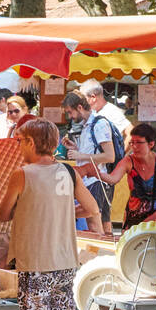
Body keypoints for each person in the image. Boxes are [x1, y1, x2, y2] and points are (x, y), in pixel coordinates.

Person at [0, 117, 106, 310]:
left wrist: (32, 210)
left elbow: (3, 214)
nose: (19, 146)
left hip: (34, 262)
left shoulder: (21, 174)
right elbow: (92, 209)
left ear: (31, 142)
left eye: (20, 141)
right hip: (66, 262)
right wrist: (60, 211)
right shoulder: (69, 171)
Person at [100, 122, 156, 229]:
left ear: (151, 144)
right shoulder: (128, 160)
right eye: (132, 142)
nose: (134, 147)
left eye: (139, 143)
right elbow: (113, 179)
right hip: (133, 217)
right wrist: (97, 173)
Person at [62, 90, 115, 232]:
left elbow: (109, 156)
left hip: (96, 180)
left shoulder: (99, 124)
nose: (70, 117)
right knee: (99, 224)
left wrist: (80, 155)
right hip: (90, 180)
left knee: (94, 224)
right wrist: (76, 148)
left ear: (79, 107)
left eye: (70, 112)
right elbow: (93, 152)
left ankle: (96, 253)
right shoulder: (87, 126)